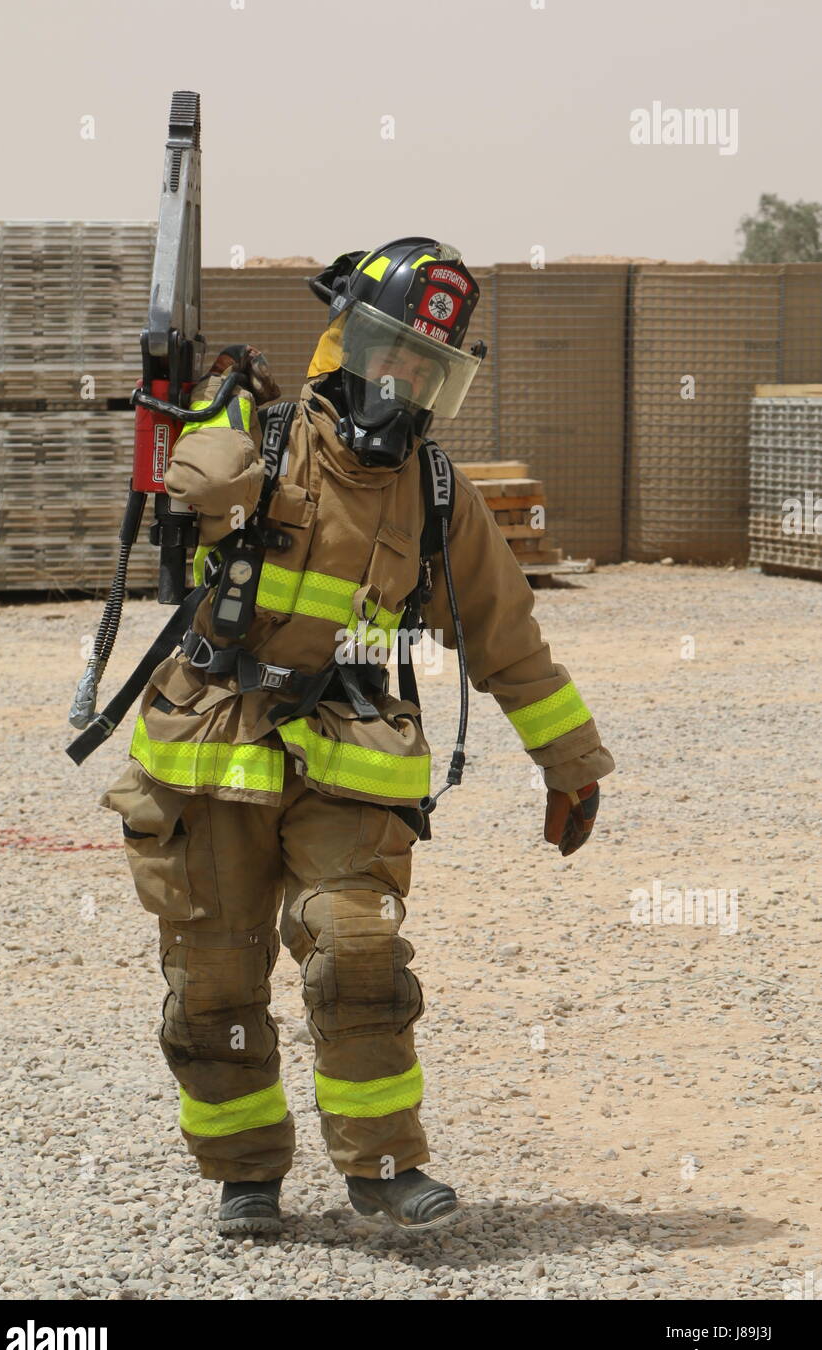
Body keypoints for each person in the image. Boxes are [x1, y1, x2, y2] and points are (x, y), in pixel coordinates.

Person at [98, 237, 615, 1236]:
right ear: (345, 341)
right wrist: (212, 421)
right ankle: (245, 1172)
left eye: (430, 369)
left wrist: (571, 763)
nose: (405, 384)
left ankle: (382, 1165)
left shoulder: (431, 491)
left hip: (346, 753)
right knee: (213, 979)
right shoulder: (260, 435)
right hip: (209, 748)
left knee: (355, 947)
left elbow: (506, 637)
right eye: (392, 355)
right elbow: (189, 491)